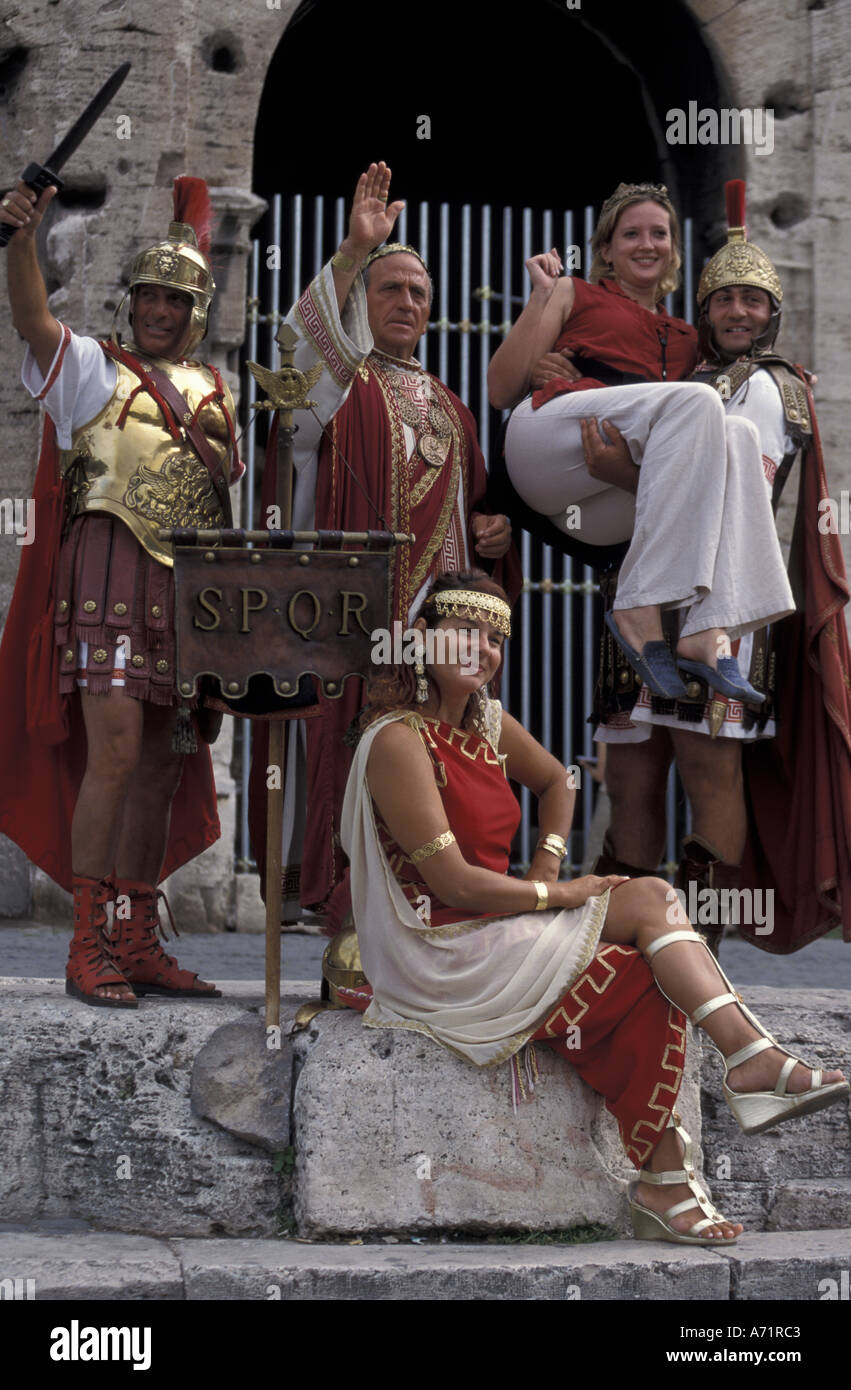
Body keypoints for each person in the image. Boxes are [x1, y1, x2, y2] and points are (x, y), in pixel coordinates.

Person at [337, 569, 848, 1244]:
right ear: (419, 639)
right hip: (439, 949)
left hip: (497, 925)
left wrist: (547, 860)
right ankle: (742, 1074)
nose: (481, 649)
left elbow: (557, 780)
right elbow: (455, 886)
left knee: (643, 974)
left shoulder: (487, 722)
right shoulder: (398, 740)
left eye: (494, 638)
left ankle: (671, 1178)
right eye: (463, 630)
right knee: (648, 899)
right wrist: (560, 893)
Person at [566, 182, 851, 956]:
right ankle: (618, 954)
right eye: (722, 300)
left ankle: (696, 957)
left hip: (713, 611)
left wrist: (625, 473)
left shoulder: (775, 386)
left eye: (751, 301)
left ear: (772, 312)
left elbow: (732, 490)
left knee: (706, 778)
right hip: (640, 596)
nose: (735, 313)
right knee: (628, 781)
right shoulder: (689, 382)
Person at [248, 162, 518, 931]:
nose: (405, 301)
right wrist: (348, 253)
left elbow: (475, 516)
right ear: (361, 304)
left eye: (417, 293)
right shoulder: (342, 384)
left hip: (438, 635)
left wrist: (493, 537)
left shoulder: (451, 407)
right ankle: (346, 909)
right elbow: (293, 388)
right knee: (358, 756)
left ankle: (444, 897)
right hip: (355, 626)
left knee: (443, 758)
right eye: (388, 288)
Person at [0, 176, 241, 1005]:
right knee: (110, 755)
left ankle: (137, 936)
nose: (158, 311)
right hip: (106, 578)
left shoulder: (217, 392)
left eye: (175, 300)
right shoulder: (94, 372)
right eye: (148, 296)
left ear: (195, 312)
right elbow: (33, 321)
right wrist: (19, 240)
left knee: (163, 768)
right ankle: (86, 942)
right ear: (130, 301)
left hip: (186, 594)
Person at [487, 181, 794, 705]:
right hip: (549, 443)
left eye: (659, 233)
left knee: (736, 433)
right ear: (605, 248)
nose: (647, 244)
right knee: (698, 404)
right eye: (631, 234)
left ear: (674, 247)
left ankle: (705, 629)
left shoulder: (687, 337)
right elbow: (499, 390)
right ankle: (639, 605)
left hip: (609, 493)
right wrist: (540, 300)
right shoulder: (573, 292)